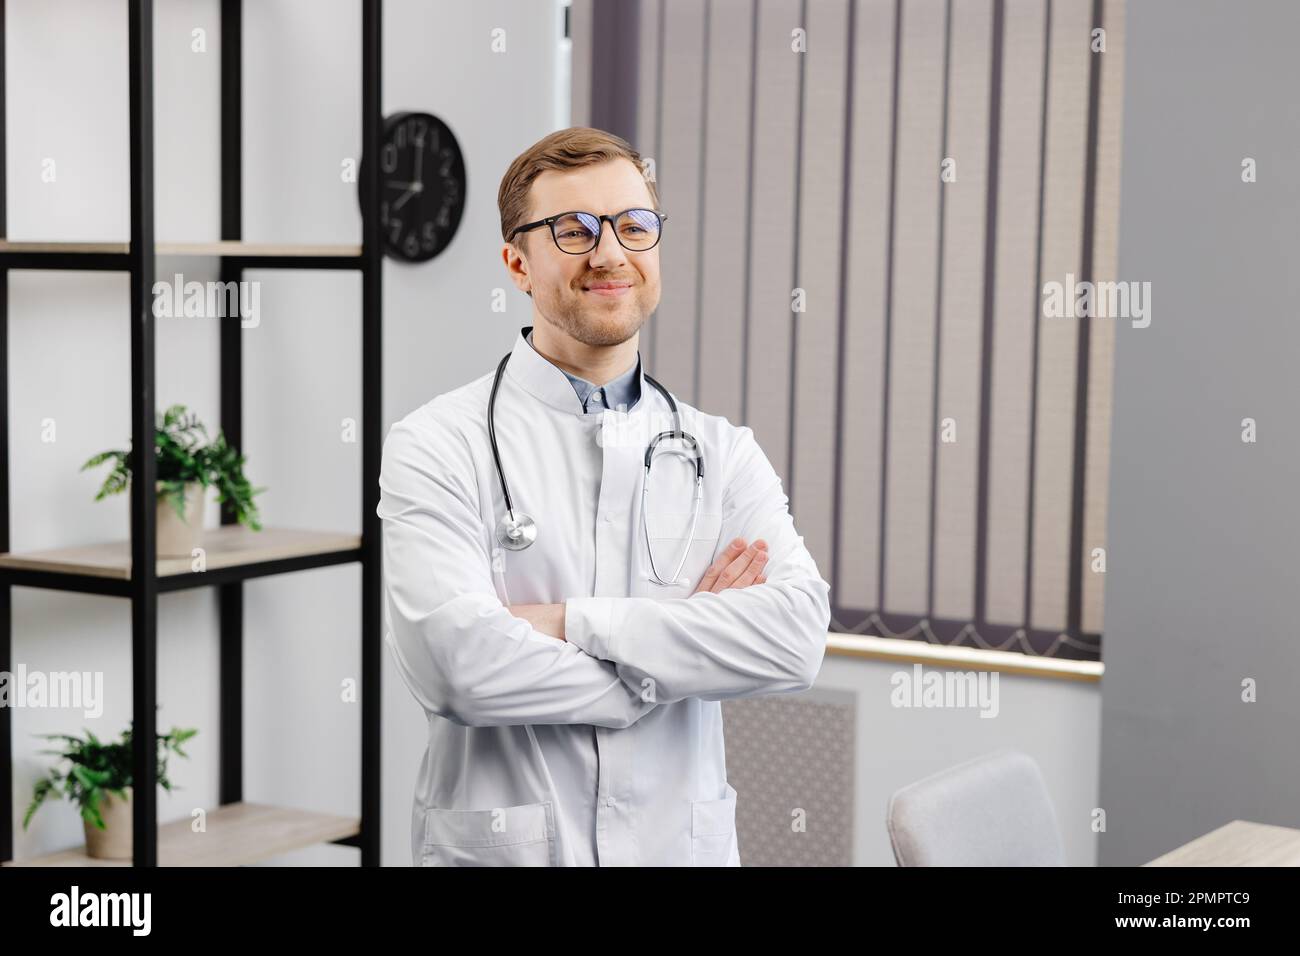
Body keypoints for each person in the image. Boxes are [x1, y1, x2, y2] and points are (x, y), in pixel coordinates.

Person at [377, 126, 831, 866]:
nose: (609, 253)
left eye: (633, 226)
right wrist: (672, 659)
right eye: (573, 229)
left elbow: (794, 641)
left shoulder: (723, 453)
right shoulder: (436, 444)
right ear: (517, 263)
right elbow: (457, 669)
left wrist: (566, 621)